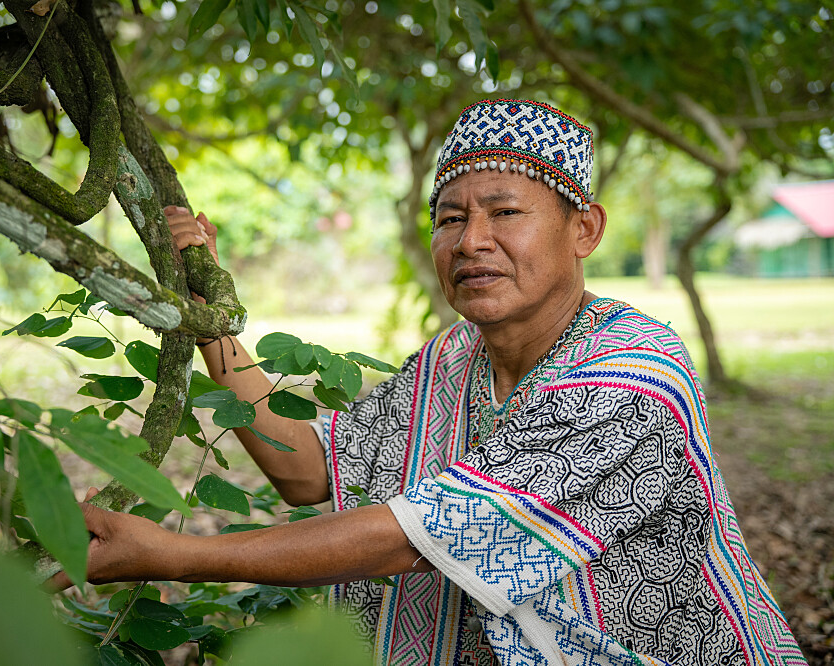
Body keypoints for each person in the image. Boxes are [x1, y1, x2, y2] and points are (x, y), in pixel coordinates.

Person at [64, 99, 806, 664]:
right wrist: (209, 318)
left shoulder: (635, 371)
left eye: (505, 213)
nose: (472, 240)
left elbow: (420, 539)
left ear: (585, 230)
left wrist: (173, 553)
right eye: (451, 218)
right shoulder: (453, 360)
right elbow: (304, 467)